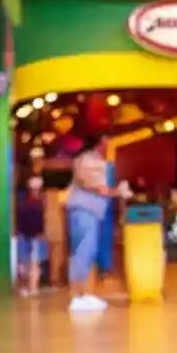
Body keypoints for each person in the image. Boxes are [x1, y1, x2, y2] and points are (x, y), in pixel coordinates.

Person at [66, 134, 113, 313]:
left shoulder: (92, 160)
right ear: (100, 143)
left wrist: (114, 191)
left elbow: (100, 188)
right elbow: (84, 180)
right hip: (85, 211)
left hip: (88, 211)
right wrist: (97, 188)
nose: (108, 148)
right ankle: (76, 296)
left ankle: (83, 294)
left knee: (86, 251)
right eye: (106, 144)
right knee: (84, 251)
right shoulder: (89, 160)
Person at [15, 175, 47, 297]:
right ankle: (28, 287)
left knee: (32, 262)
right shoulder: (31, 201)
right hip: (27, 235)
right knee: (26, 263)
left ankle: (32, 287)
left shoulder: (26, 201)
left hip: (33, 235)